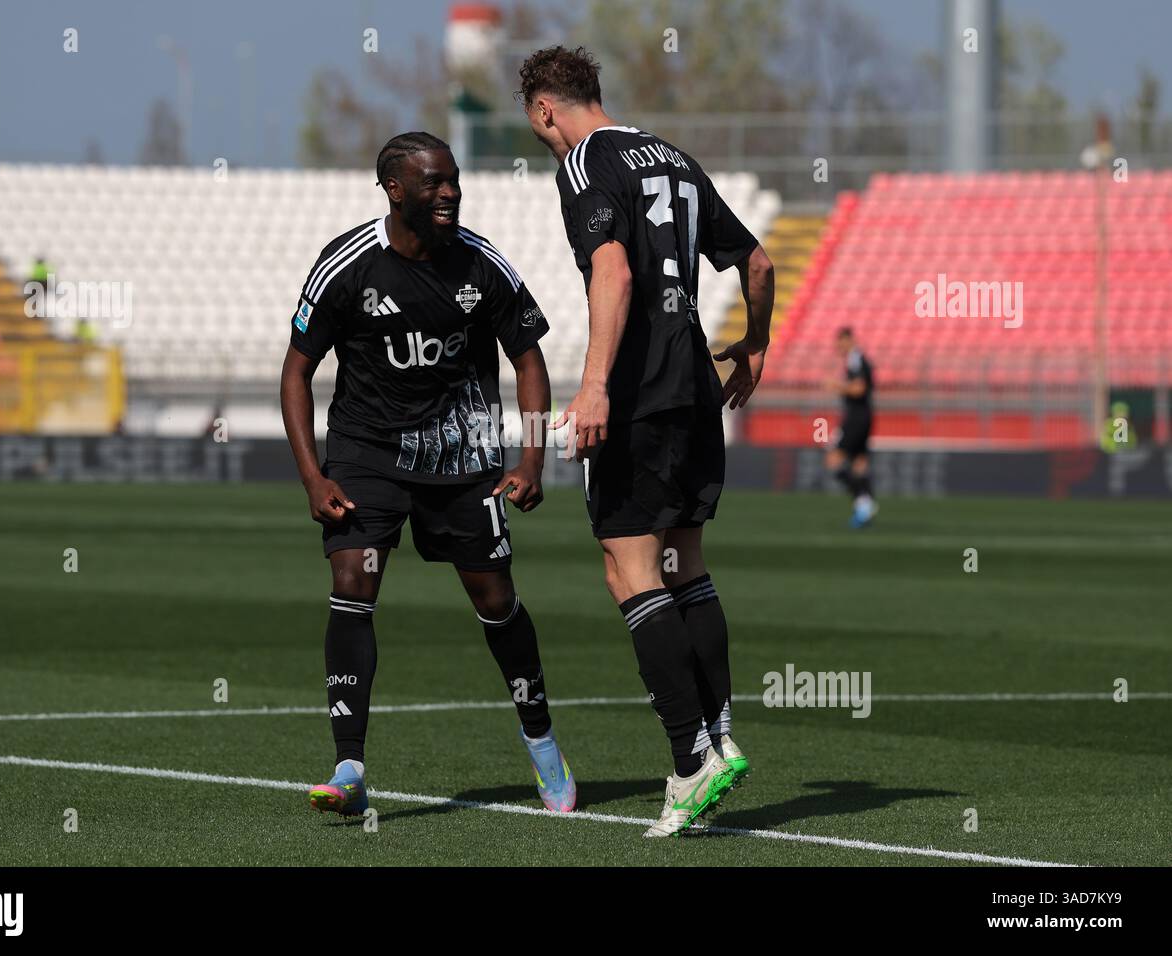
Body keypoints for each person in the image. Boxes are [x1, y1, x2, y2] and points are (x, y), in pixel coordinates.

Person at [279, 131, 576, 819]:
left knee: (496, 600)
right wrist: (312, 477)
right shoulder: (346, 265)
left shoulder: (481, 264)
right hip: (366, 453)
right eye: (434, 182)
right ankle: (349, 765)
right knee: (353, 582)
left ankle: (542, 744)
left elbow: (528, 359)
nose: (449, 192)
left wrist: (532, 458)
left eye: (454, 181)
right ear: (394, 189)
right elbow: (297, 372)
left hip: (462, 457)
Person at [517, 47, 775, 836]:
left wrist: (594, 387)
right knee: (684, 562)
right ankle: (719, 738)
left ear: (543, 111)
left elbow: (615, 274)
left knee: (628, 568)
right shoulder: (675, 157)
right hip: (697, 386)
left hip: (638, 394)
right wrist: (756, 344)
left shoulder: (584, 163)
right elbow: (757, 262)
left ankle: (691, 759)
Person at [823, 327, 877, 527]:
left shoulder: (856, 359)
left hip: (856, 418)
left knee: (833, 460)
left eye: (840, 342)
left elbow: (859, 388)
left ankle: (864, 503)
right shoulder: (855, 360)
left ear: (848, 340)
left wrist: (837, 385)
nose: (838, 347)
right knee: (859, 464)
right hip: (865, 416)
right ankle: (864, 511)